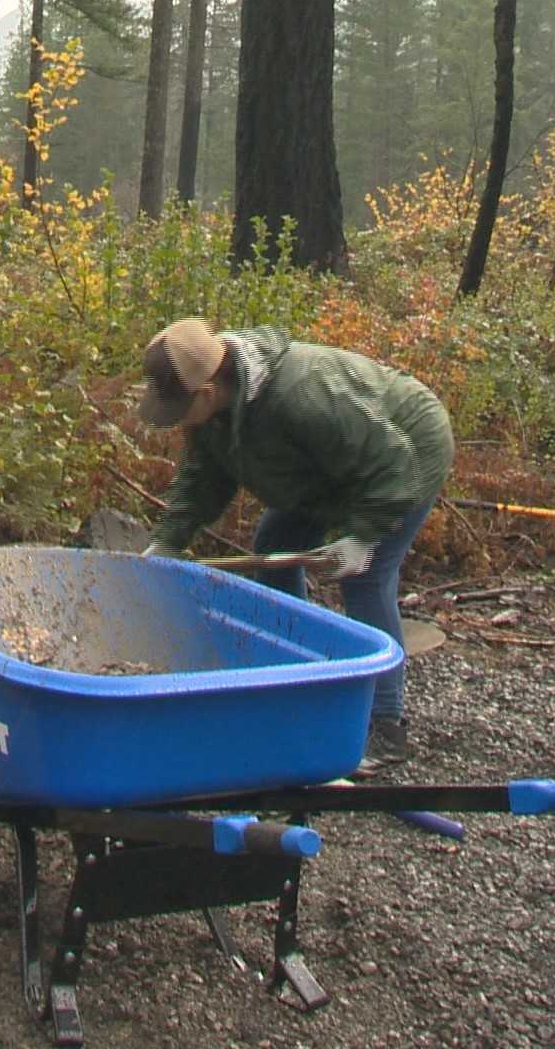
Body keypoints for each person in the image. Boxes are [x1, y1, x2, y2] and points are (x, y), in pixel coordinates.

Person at [136, 317, 454, 778]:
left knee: (364, 577)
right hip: (326, 470)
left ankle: (385, 725)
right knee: (274, 549)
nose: (174, 420)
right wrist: (166, 544)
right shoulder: (216, 415)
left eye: (177, 408)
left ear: (206, 392)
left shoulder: (302, 395)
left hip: (405, 455)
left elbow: (393, 464)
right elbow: (202, 483)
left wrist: (363, 535)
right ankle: (300, 677)